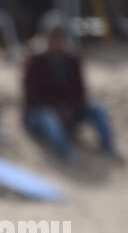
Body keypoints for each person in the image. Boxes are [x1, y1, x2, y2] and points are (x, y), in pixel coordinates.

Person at [22, 13, 116, 160]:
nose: (57, 41)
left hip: (68, 110)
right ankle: (65, 153)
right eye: (54, 37)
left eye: (60, 37)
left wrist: (70, 108)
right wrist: (57, 108)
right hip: (40, 112)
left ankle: (108, 147)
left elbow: (80, 91)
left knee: (97, 109)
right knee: (49, 117)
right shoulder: (35, 62)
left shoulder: (72, 60)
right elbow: (33, 96)